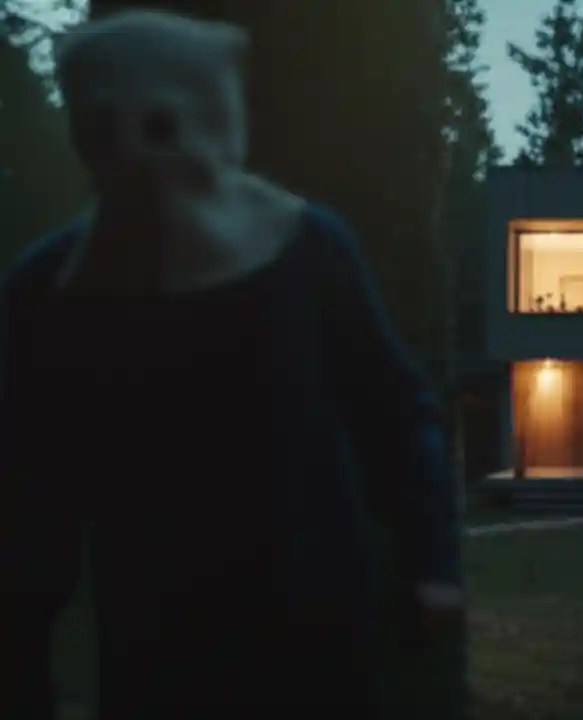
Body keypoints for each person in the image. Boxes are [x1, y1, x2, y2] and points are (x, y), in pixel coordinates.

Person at [0, 10, 464, 718]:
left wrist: (431, 559)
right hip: (156, 640)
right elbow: (32, 485)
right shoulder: (50, 289)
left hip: (314, 627)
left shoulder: (307, 249)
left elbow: (394, 410)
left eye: (160, 123)